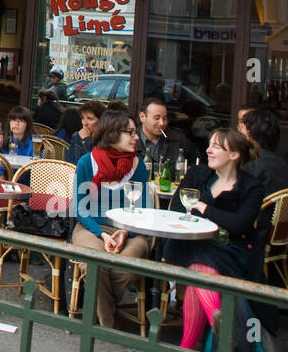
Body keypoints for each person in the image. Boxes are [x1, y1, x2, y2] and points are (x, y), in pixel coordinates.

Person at [162, 128, 270, 352]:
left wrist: (203, 207)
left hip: (232, 251)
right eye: (209, 144)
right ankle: (220, 326)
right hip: (190, 244)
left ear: (234, 155)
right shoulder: (198, 174)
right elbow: (177, 210)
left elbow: (239, 224)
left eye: (216, 147)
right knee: (200, 260)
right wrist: (211, 216)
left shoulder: (252, 186)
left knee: (199, 271)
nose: (208, 150)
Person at [70, 110, 151, 328]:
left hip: (130, 230)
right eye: (130, 132)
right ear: (112, 133)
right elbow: (79, 208)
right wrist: (102, 235)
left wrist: (126, 232)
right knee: (95, 263)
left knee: (124, 266)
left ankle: (100, 310)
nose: (136, 137)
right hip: (91, 227)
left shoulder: (138, 166)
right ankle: (108, 323)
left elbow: (143, 208)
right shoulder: (87, 162)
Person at [237, 105, 288, 194]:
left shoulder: (250, 163)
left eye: (241, 128)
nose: (238, 131)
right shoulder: (279, 160)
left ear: (249, 132)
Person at [137, 96, 193, 168]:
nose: (162, 123)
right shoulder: (132, 140)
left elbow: (196, 162)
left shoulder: (178, 139)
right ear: (142, 117)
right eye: (157, 118)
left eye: (164, 119)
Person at [65, 100, 103, 165]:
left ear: (101, 120)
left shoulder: (105, 140)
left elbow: (89, 166)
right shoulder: (77, 136)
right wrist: (81, 139)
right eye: (83, 118)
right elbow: (69, 163)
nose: (84, 123)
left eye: (90, 119)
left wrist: (85, 140)